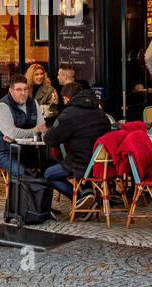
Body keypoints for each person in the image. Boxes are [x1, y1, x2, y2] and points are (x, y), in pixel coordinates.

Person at [42, 82, 110, 210]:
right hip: (102, 165)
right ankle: (87, 193)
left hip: (80, 164)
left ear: (67, 98)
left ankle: (80, 198)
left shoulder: (69, 114)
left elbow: (50, 139)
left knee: (48, 174)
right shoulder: (100, 112)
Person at [0, 75, 45, 174]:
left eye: (25, 89)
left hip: (27, 151)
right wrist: (35, 131)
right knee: (22, 172)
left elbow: (42, 129)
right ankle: (23, 189)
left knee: (49, 169)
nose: (23, 93)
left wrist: (39, 131)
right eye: (18, 90)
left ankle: (73, 190)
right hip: (4, 152)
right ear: (11, 91)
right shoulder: (3, 106)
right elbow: (12, 133)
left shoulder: (33, 103)